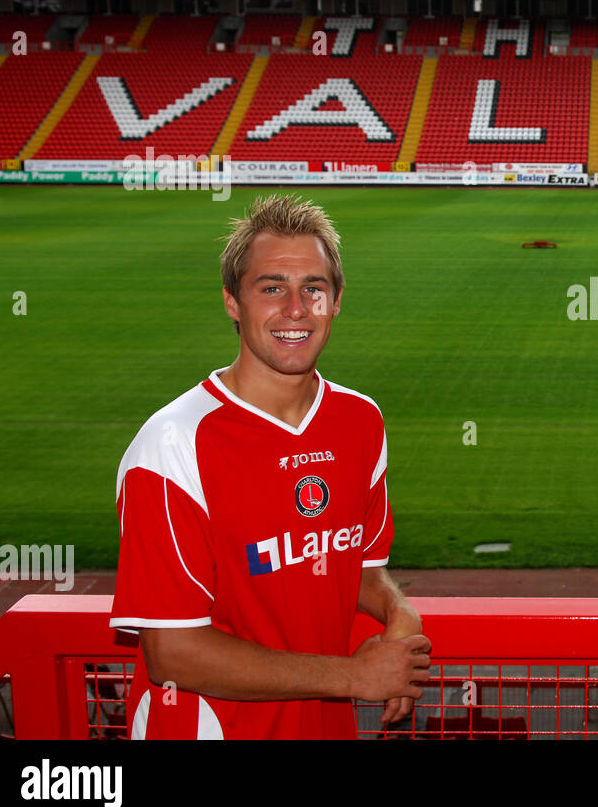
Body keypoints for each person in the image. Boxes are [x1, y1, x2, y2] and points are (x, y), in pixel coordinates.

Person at [109, 194, 430, 739]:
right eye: (271, 288)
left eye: (313, 289)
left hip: (324, 722)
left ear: (337, 300)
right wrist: (355, 675)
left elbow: (351, 565)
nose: (296, 309)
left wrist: (397, 610)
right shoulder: (173, 445)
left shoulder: (359, 421)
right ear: (233, 302)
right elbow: (172, 652)